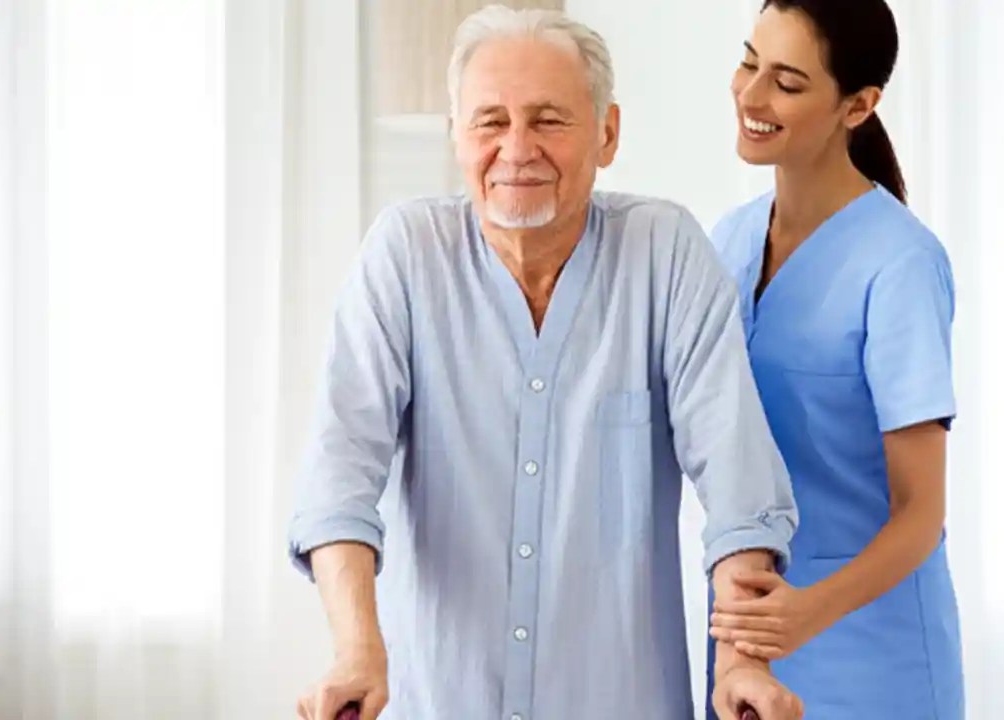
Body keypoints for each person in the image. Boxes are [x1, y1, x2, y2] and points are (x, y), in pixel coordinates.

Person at [286, 6, 804, 720]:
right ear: (456, 137)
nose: (517, 148)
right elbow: (339, 476)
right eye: (490, 121)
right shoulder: (405, 255)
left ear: (607, 133)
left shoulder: (665, 254)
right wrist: (356, 648)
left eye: (549, 120)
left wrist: (744, 662)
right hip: (438, 701)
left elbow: (742, 486)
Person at [704, 1, 965, 718]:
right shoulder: (726, 243)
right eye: (750, 62)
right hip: (746, 646)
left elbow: (922, 515)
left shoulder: (900, 263)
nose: (751, 96)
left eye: (787, 83)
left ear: (858, 105)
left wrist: (808, 614)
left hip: (872, 657)